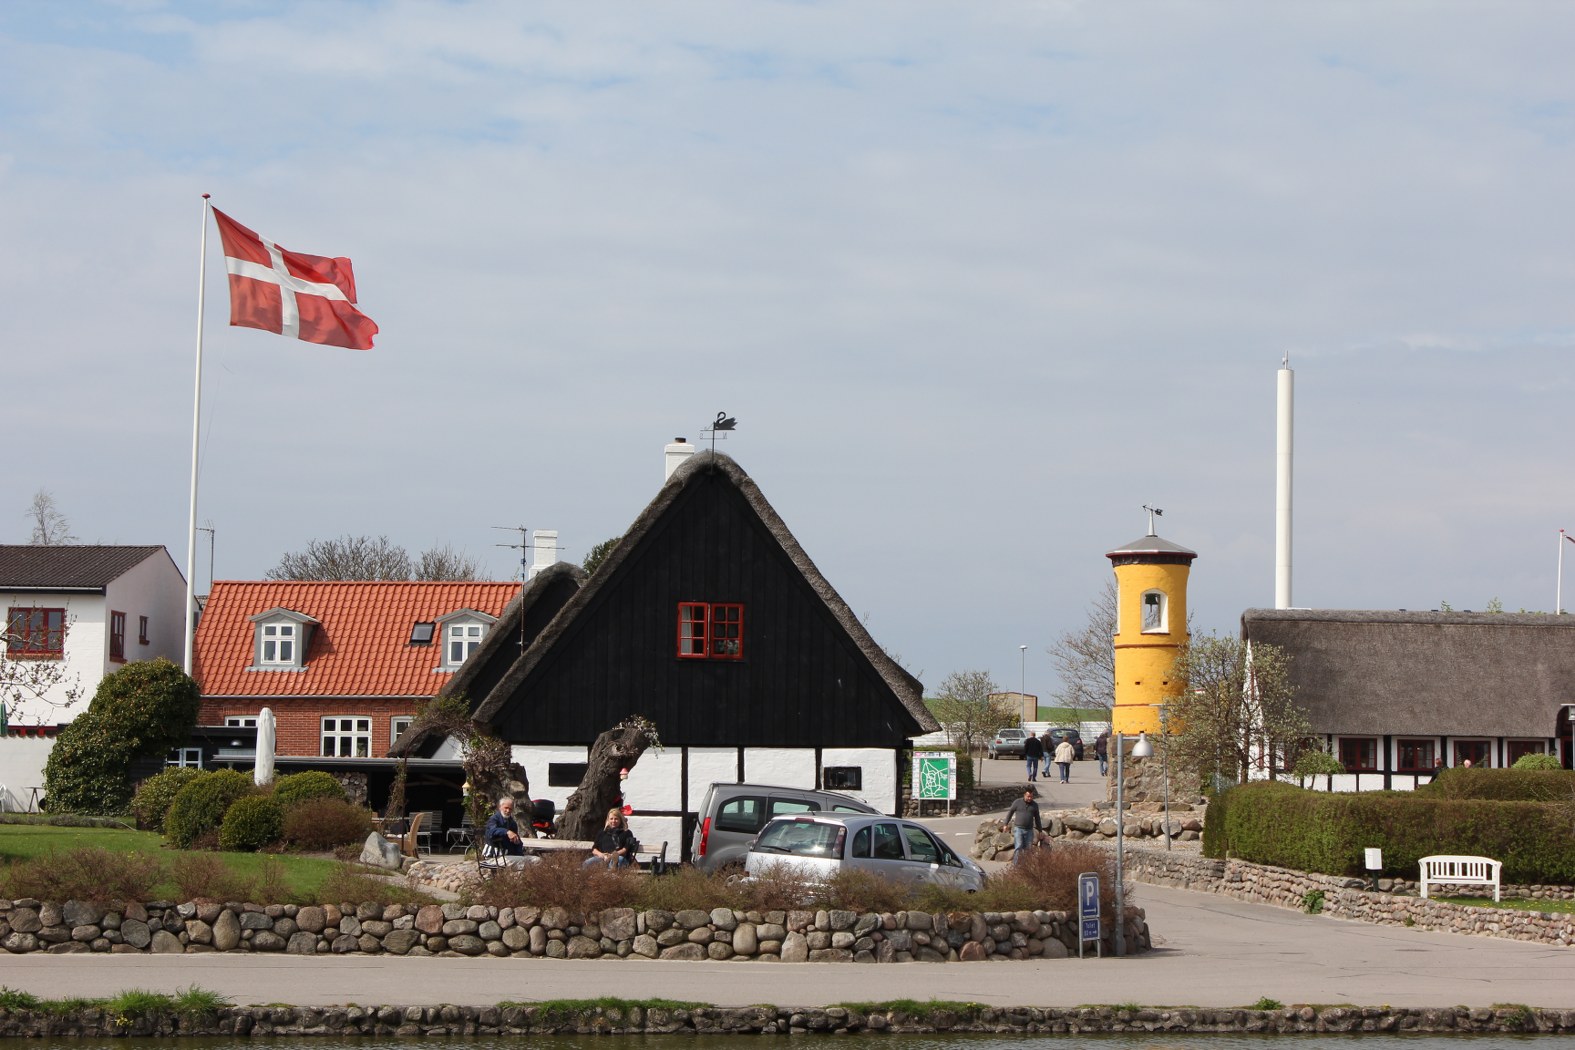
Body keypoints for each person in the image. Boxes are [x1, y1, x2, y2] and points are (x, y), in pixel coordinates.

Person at [483, 796, 530, 868]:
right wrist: (507, 832)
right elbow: (491, 832)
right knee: (523, 863)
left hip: (509, 855)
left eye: (510, 809)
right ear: (500, 807)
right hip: (495, 856)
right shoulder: (494, 819)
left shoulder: (512, 822)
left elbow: (517, 842)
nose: (508, 811)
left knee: (535, 860)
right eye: (506, 808)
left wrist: (518, 847)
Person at [1000, 789, 1043, 864]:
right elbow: (1010, 813)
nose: (1030, 798)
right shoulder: (1017, 802)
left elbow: (1037, 818)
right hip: (1018, 829)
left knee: (1028, 849)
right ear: (1024, 795)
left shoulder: (1035, 805)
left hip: (1029, 830)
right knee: (1018, 847)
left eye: (1031, 797)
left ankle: (1025, 867)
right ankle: (1016, 866)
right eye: (1028, 796)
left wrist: (1040, 830)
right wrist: (1005, 824)